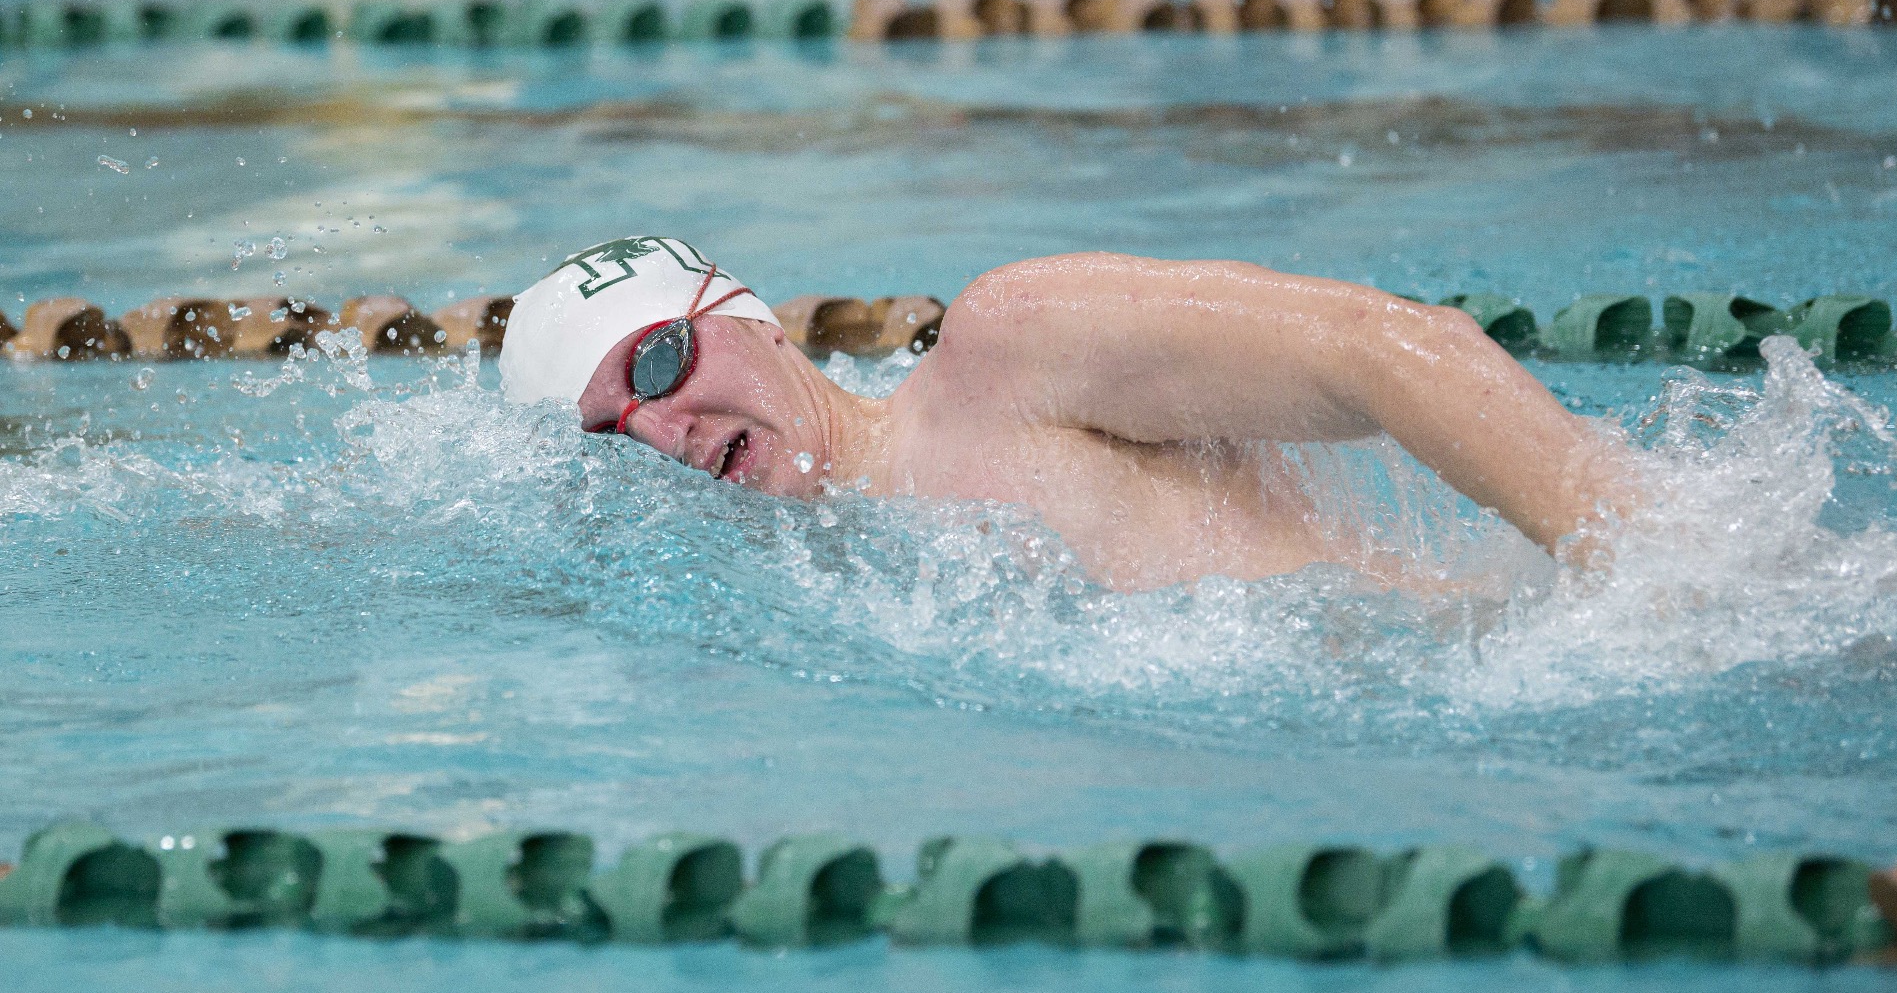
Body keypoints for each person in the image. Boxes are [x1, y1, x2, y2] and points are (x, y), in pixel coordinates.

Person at [500, 236, 1635, 591]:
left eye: (654, 365)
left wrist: (1652, 567)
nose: (661, 429)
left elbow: (1394, 352)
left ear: (752, 318)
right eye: (609, 428)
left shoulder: (1005, 351)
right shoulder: (832, 589)